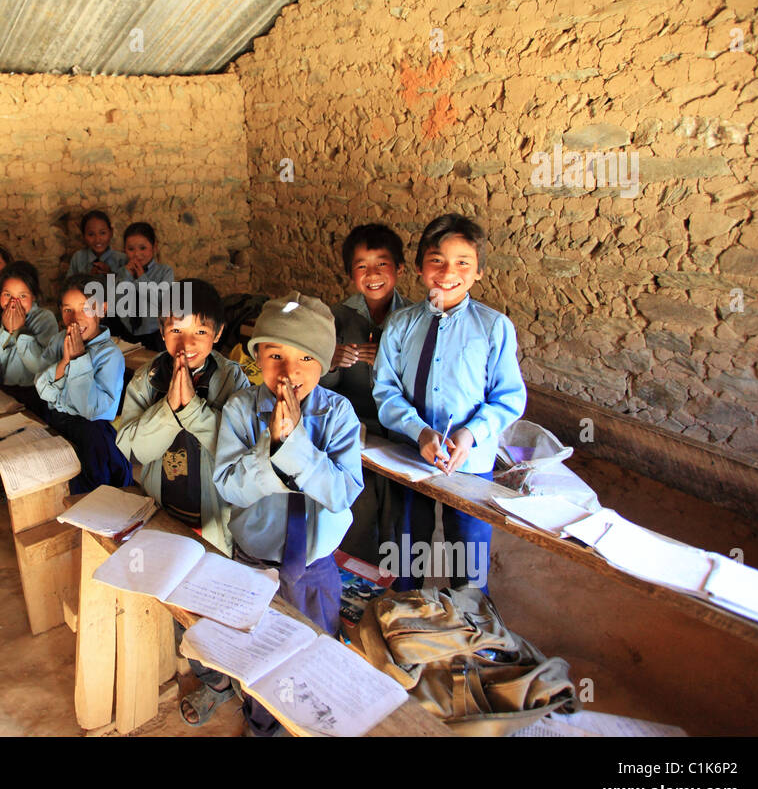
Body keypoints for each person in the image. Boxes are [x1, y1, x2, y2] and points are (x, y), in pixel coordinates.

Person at [214, 292, 363, 736]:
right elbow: (229, 484)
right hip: (254, 564)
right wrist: (272, 448)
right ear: (256, 355)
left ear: (326, 363)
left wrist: (295, 445)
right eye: (274, 354)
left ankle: (311, 725)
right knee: (259, 656)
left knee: (316, 653)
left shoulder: (339, 415)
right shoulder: (242, 409)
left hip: (315, 569)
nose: (289, 371)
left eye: (305, 358)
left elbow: (342, 492)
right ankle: (263, 726)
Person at [115, 279, 248, 726]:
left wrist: (190, 411)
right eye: (174, 330)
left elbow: (235, 451)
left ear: (219, 334)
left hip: (213, 520)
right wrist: (168, 411)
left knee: (213, 602)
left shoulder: (232, 380)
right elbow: (132, 446)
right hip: (165, 512)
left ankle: (226, 679)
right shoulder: (148, 378)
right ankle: (201, 672)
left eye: (199, 333)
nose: (185, 344)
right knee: (174, 599)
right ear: (159, 328)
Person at [372, 214, 526, 592]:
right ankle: (406, 619)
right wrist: (419, 430)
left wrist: (471, 434)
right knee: (406, 554)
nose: (447, 272)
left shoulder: (493, 327)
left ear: (479, 272)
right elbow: (385, 390)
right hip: (410, 458)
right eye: (437, 260)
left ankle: (472, 628)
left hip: (470, 464)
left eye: (463, 263)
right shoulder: (400, 324)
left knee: (469, 564)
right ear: (422, 265)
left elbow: (509, 397)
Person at [319, 223, 407, 563]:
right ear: (349, 274)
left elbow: (423, 384)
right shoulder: (337, 317)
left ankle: (396, 583)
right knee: (360, 508)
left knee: (399, 516)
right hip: (354, 430)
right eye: (361, 266)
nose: (372, 274)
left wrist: (390, 362)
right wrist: (332, 364)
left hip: (401, 430)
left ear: (399, 269)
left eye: (382, 264)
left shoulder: (414, 317)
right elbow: (326, 393)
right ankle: (359, 579)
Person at [35, 274, 131, 494]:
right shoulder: (59, 340)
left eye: (85, 308)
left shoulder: (110, 355)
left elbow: (90, 410)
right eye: (67, 310)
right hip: (58, 422)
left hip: (92, 436)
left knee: (88, 496)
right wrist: (65, 361)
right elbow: (42, 388)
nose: (75, 318)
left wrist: (78, 360)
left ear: (102, 310)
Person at [0, 261, 58, 415]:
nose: (14, 302)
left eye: (22, 296)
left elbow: (41, 365)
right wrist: (5, 331)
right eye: (7, 295)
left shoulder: (44, 319)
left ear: (34, 296)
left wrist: (19, 331)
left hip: (36, 394)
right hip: (2, 392)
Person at [113, 221, 175, 352]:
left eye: (143, 248)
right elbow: (118, 303)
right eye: (131, 249)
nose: (136, 254)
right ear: (124, 250)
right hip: (127, 334)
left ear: (154, 246)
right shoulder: (122, 273)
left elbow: (162, 301)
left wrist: (142, 279)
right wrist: (127, 277)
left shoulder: (164, 272)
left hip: (155, 335)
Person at [67, 210, 126, 277]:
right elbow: (69, 285)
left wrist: (111, 274)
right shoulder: (78, 258)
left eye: (103, 233)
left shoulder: (122, 259)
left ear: (111, 233)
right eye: (91, 234)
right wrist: (88, 278)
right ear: (84, 236)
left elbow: (128, 286)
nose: (97, 240)